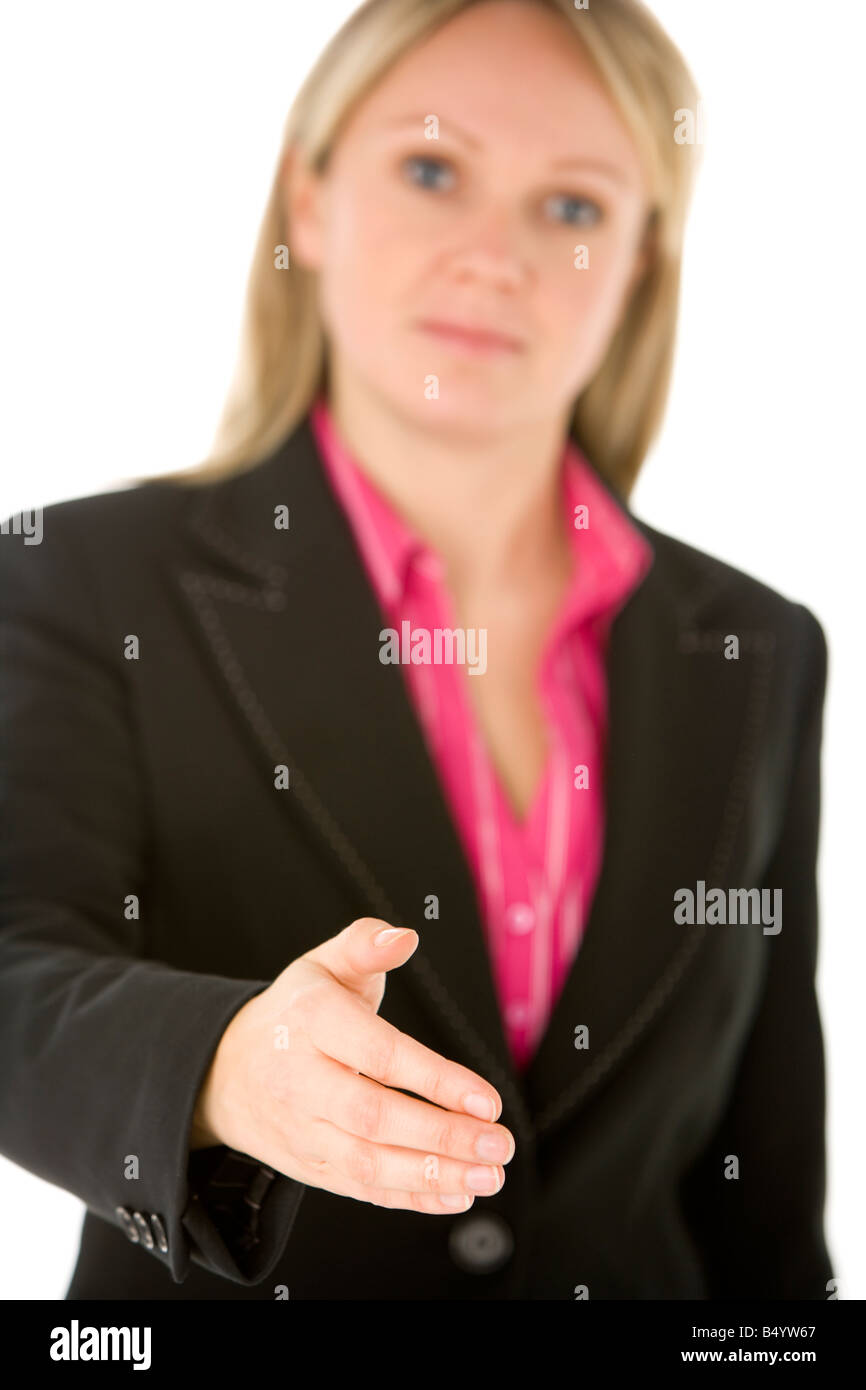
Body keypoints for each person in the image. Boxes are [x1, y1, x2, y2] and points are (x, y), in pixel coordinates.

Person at [0, 0, 833, 1300]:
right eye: (432, 170)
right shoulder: (78, 574)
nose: (493, 255)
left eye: (570, 207)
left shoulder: (754, 644)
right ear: (310, 202)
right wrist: (220, 1063)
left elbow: (761, 1166)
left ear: (638, 266)